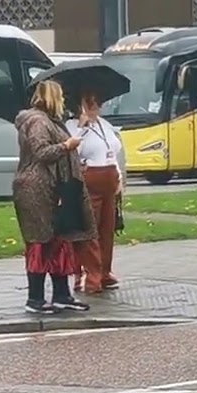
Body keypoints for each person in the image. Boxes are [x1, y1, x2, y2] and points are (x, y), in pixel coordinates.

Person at [12, 80, 96, 314]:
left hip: (55, 188)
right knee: (40, 242)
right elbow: (41, 152)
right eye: (60, 96)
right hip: (36, 189)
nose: (63, 101)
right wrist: (67, 146)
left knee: (60, 240)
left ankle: (62, 294)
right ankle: (35, 299)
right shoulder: (37, 121)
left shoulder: (52, 121)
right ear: (51, 97)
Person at [65, 91, 126, 294]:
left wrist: (119, 177)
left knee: (107, 228)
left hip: (108, 178)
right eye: (89, 104)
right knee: (89, 229)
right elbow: (72, 151)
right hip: (89, 178)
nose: (94, 108)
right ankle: (88, 274)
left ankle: (105, 271)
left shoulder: (104, 124)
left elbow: (112, 152)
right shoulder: (72, 126)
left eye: (96, 103)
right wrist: (82, 127)